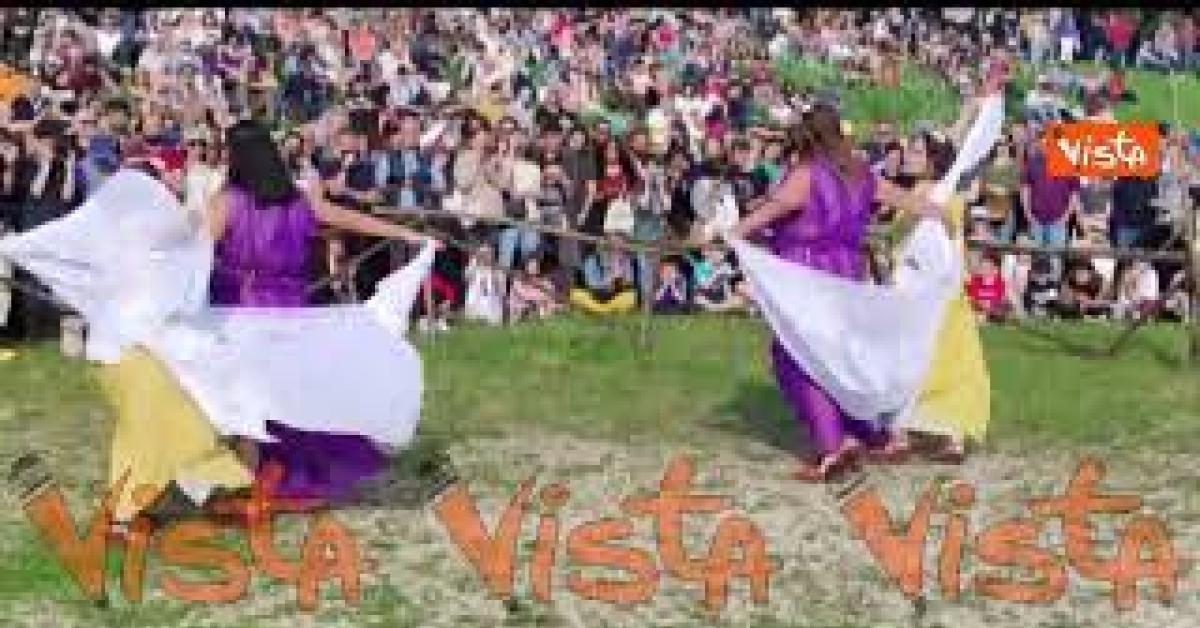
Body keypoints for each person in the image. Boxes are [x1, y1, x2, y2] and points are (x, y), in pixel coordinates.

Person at [202, 119, 438, 502]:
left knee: (248, 397)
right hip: (294, 312)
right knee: (291, 394)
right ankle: (265, 469)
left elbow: (193, 254)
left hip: (242, 312)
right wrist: (405, 233)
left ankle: (252, 475)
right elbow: (350, 219)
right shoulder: (301, 201)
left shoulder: (226, 202)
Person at [728, 102, 948, 481]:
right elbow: (903, 199)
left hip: (806, 274)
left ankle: (832, 446)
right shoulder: (861, 173)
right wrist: (941, 215)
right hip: (846, 273)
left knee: (798, 358)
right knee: (842, 356)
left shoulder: (806, 174)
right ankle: (868, 434)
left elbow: (772, 211)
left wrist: (730, 233)